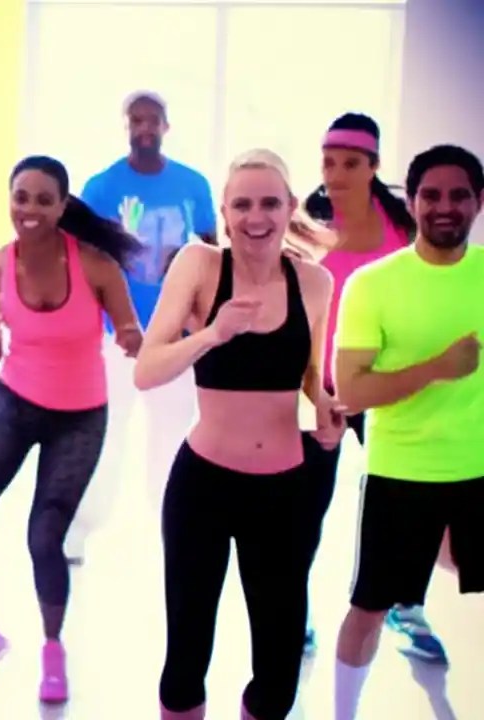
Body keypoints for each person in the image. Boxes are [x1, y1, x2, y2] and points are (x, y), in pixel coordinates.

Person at [135, 149, 339, 720]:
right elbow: (147, 370)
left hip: (284, 492)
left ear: (290, 208)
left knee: (278, 674)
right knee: (185, 660)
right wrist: (212, 334)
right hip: (204, 487)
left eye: (270, 202)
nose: (256, 216)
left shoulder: (315, 282)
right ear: (225, 213)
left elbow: (308, 376)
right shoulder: (200, 266)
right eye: (242, 204)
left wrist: (325, 408)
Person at [0, 155, 144, 702]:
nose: (29, 209)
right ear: (9, 200)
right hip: (14, 399)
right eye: (20, 197)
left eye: (42, 199)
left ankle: (53, 649)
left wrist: (131, 337)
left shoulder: (96, 265)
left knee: (43, 538)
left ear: (61, 206)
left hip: (80, 415)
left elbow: (129, 329)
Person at [331, 144, 484, 720]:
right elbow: (353, 390)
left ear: (478, 202)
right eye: (431, 195)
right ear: (412, 201)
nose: (444, 207)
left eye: (458, 195)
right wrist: (437, 369)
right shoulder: (373, 285)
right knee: (369, 608)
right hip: (402, 473)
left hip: (479, 467)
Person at [295, 113, 448, 662]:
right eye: (328, 161)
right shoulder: (306, 222)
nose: (336, 173)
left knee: (406, 504)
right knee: (304, 504)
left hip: (388, 388)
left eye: (351, 163)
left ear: (374, 167)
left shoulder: (403, 223)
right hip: (322, 388)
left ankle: (405, 606)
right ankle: (298, 611)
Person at [68, 90, 219, 564]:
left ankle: (173, 529)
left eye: (153, 120)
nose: (145, 128)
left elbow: (213, 252)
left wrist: (203, 324)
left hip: (176, 338)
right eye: (136, 120)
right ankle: (81, 529)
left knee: (171, 439)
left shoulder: (193, 184)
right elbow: (81, 258)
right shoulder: (102, 186)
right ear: (126, 126)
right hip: (118, 336)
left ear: (167, 127)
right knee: (106, 434)